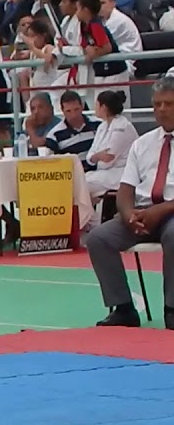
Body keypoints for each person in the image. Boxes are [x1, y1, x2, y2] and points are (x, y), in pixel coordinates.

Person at [85, 76, 174, 330]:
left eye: (169, 104)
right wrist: (127, 214)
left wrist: (162, 210)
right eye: (157, 104)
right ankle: (122, 307)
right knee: (98, 238)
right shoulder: (142, 144)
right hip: (142, 211)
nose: (162, 110)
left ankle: (172, 308)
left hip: (171, 211)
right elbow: (126, 188)